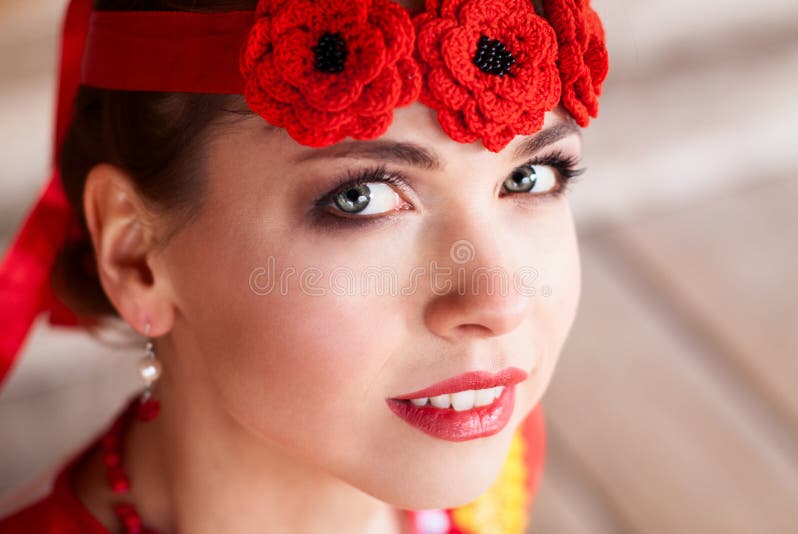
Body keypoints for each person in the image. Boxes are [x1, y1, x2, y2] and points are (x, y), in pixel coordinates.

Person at [0, 0, 609, 532]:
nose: (501, 303)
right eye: (362, 198)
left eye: (529, 178)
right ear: (136, 256)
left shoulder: (495, 459)